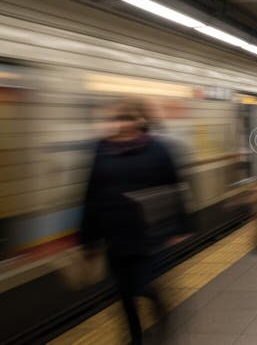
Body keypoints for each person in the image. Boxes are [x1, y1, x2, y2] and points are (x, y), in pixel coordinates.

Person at [80, 98, 187, 345]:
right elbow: (91, 193)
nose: (123, 123)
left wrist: (182, 225)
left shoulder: (157, 149)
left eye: (129, 118)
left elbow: (175, 186)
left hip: (148, 235)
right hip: (114, 236)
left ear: (141, 121)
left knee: (144, 286)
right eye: (118, 118)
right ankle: (135, 337)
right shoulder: (101, 149)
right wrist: (88, 239)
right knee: (123, 294)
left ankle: (161, 313)